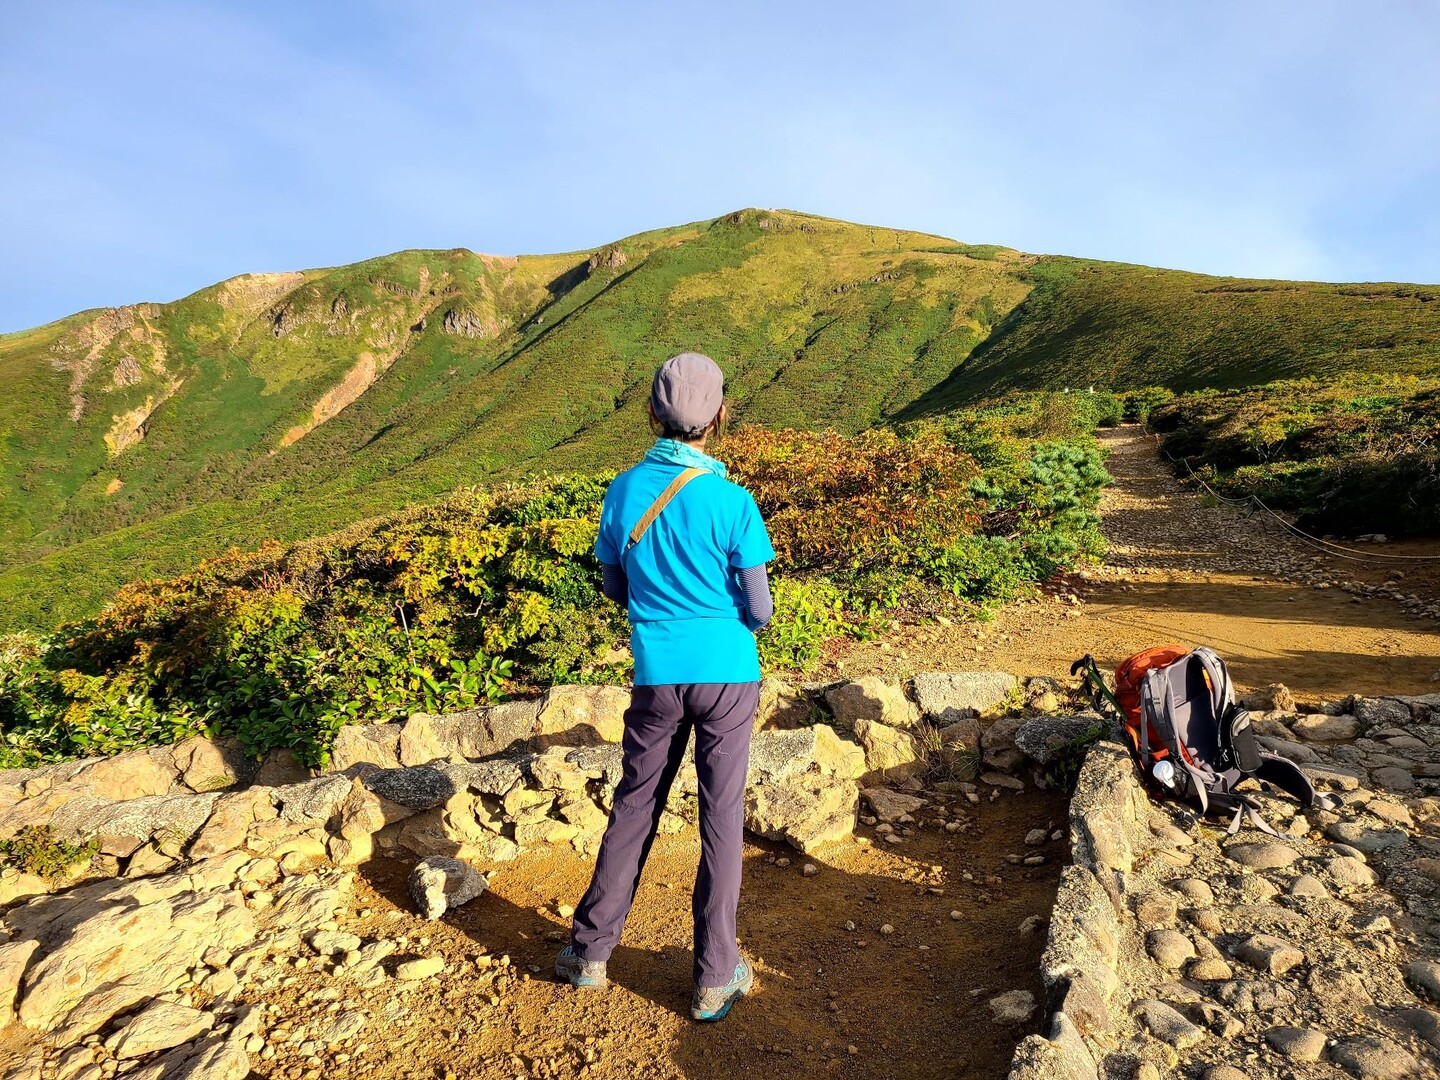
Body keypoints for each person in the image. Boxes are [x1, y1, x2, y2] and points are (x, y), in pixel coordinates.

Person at [555, 352, 775, 1023]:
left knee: (636, 805)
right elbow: (760, 610)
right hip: (729, 675)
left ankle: (589, 954)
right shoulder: (734, 502)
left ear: (652, 412)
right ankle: (713, 977)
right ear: (719, 416)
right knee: (720, 819)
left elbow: (615, 584)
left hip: (657, 674)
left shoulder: (622, 492)